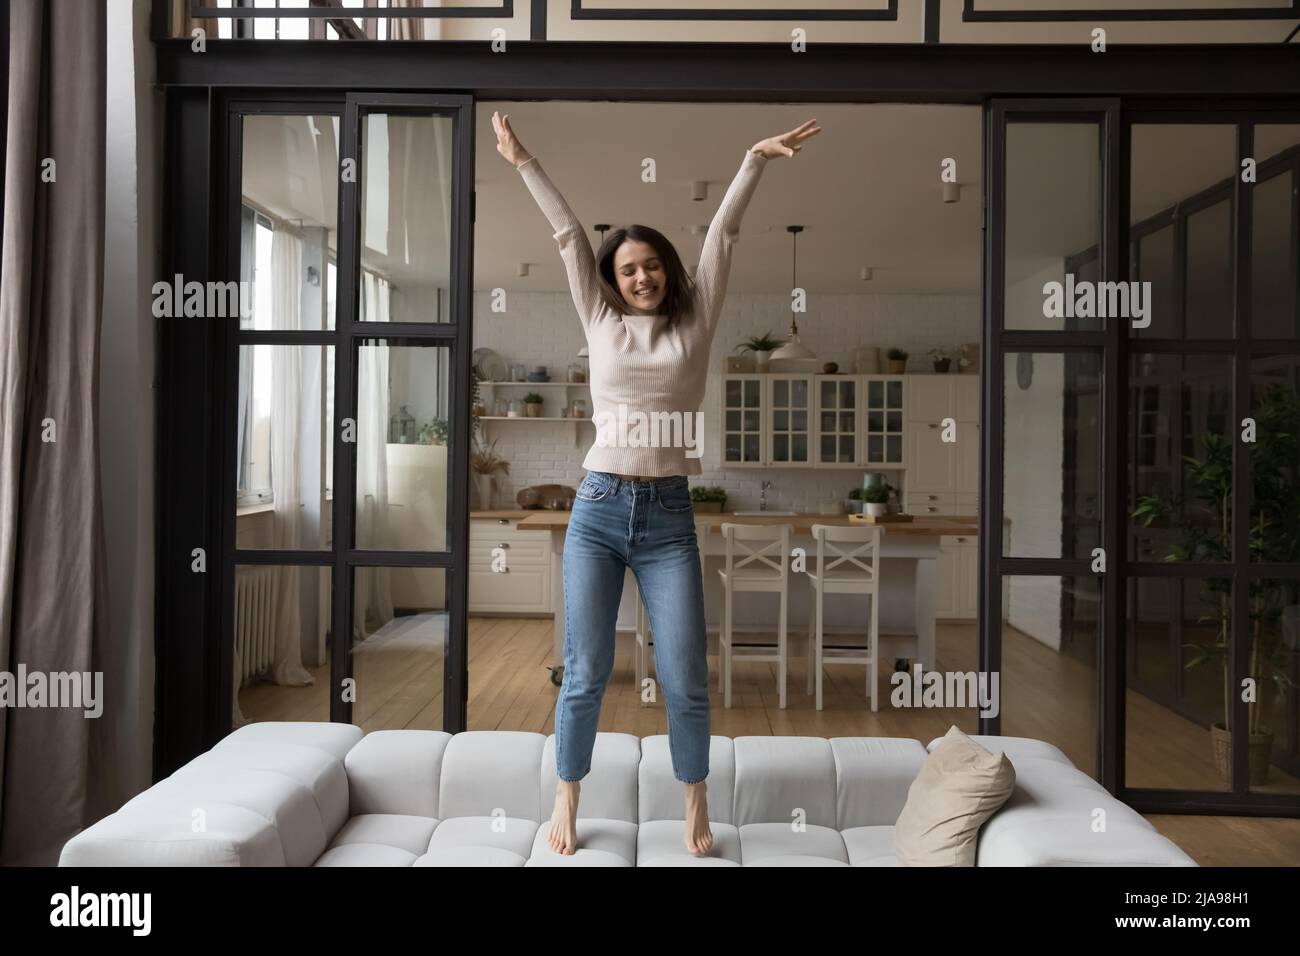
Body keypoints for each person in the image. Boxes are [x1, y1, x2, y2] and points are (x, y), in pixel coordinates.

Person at [492, 110, 821, 856]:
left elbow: (725, 237)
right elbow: (570, 235)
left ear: (668, 268)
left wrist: (753, 160)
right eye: (626, 269)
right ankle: (567, 796)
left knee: (683, 673)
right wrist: (522, 161)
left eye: (650, 265)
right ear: (612, 281)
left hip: (669, 516)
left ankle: (695, 806)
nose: (640, 276)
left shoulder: (696, 317)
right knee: (586, 671)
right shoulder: (599, 319)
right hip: (599, 508)